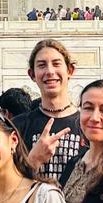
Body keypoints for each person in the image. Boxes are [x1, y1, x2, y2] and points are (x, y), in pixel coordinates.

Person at [15, 40, 88, 187]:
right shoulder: (17, 127)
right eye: (42, 65)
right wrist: (33, 161)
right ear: (32, 74)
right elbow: (4, 186)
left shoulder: (89, 125)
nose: (49, 71)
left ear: (70, 70)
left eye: (56, 64)